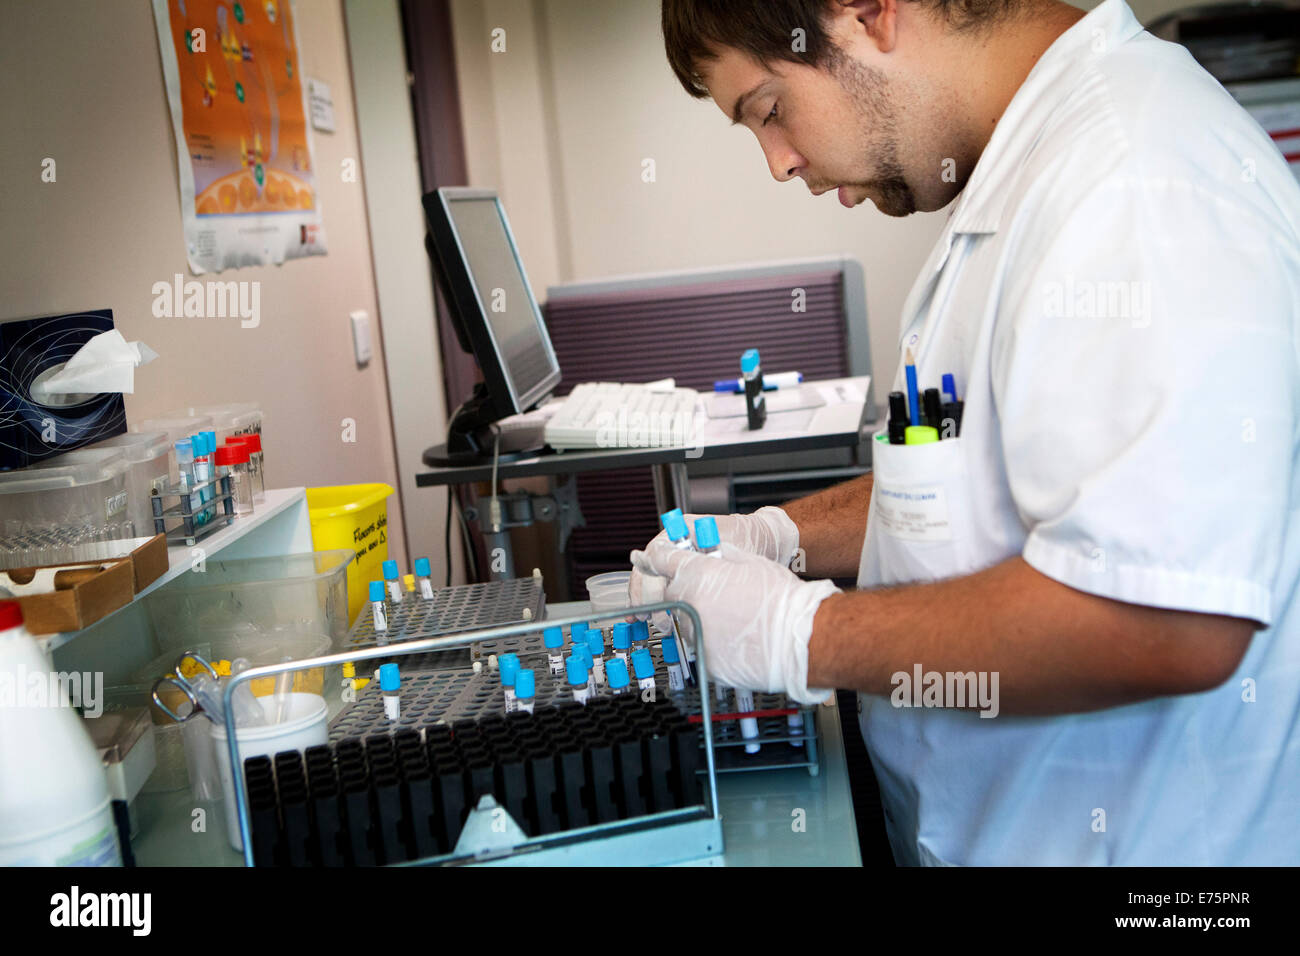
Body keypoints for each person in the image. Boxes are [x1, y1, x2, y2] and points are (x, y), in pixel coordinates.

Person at [632, 0, 1300, 864]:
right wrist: (779, 537)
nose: (778, 161)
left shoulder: (1133, 182)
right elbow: (972, 470)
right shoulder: (1024, 173)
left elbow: (1168, 618)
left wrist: (805, 635)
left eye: (767, 108)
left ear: (869, 13)